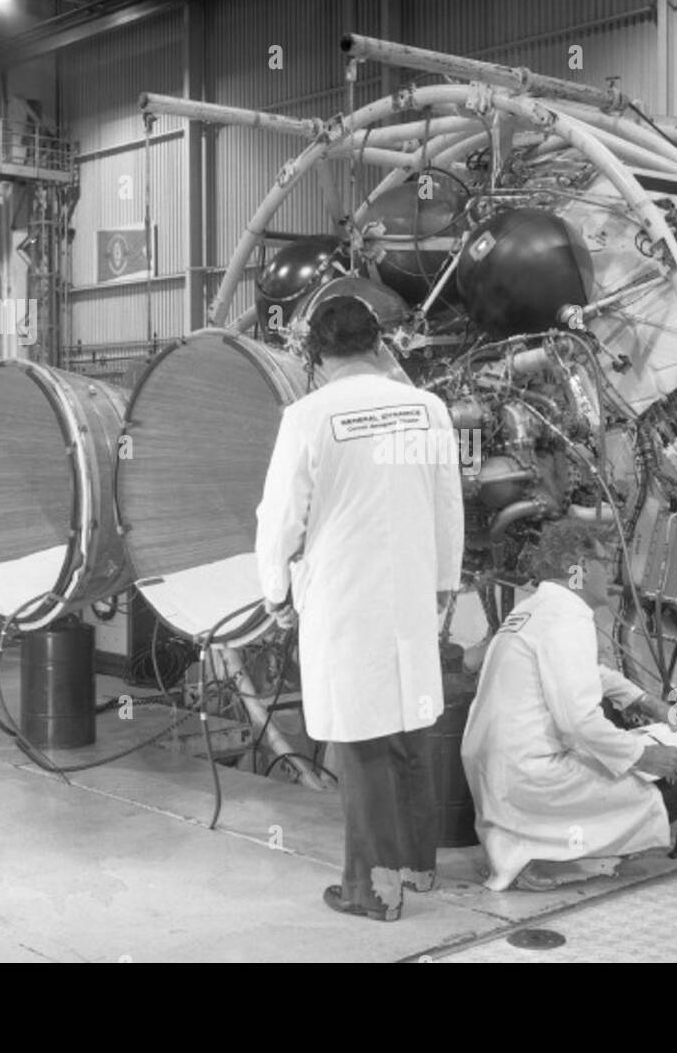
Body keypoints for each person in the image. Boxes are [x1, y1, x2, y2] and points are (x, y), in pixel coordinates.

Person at [255, 296, 465, 922]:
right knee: (407, 734)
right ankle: (418, 869)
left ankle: (372, 891)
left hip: (345, 602)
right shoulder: (429, 409)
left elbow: (279, 520)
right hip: (409, 597)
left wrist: (274, 591)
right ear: (379, 343)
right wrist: (442, 584)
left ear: (316, 356)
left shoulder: (307, 416)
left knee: (362, 744)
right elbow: (446, 504)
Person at [461, 520, 677, 891]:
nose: (611, 573)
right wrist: (641, 755)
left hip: (496, 766)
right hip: (525, 774)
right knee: (657, 792)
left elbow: (584, 672)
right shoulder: (566, 617)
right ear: (579, 567)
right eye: (605, 561)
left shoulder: (538, 608)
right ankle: (542, 857)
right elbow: (578, 720)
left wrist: (644, 701)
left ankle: (529, 852)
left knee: (621, 766)